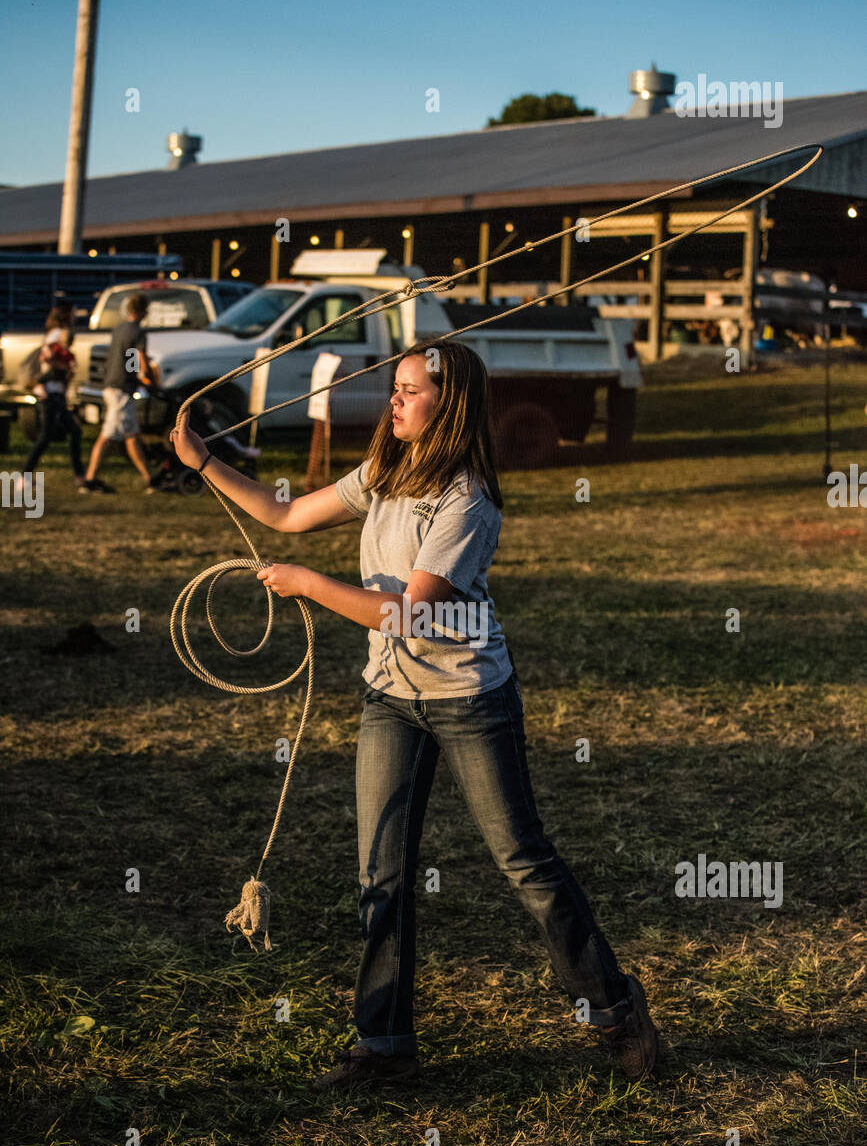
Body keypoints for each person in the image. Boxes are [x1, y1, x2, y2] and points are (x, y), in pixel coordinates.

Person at [169, 340, 660, 1089]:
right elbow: (286, 512)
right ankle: (384, 1042)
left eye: (408, 389)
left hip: (467, 697)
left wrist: (307, 584)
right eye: (393, 387)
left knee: (522, 861)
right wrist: (204, 460)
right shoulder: (386, 472)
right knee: (382, 874)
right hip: (390, 700)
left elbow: (406, 614)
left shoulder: (466, 499)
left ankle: (615, 1008)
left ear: (449, 401)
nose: (393, 400)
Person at [80, 292, 158, 494]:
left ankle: (149, 478)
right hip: (121, 390)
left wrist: (135, 376)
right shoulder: (138, 332)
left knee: (126, 435)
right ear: (142, 311)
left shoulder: (120, 329)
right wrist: (148, 377)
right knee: (113, 436)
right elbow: (140, 358)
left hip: (113, 384)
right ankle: (90, 479)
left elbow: (128, 357)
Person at [22, 304, 86, 486]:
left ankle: (79, 475)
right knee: (46, 436)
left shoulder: (55, 334)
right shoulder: (57, 335)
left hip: (55, 393)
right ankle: (25, 475)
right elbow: (49, 362)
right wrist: (66, 368)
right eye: (73, 312)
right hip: (49, 393)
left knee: (73, 432)